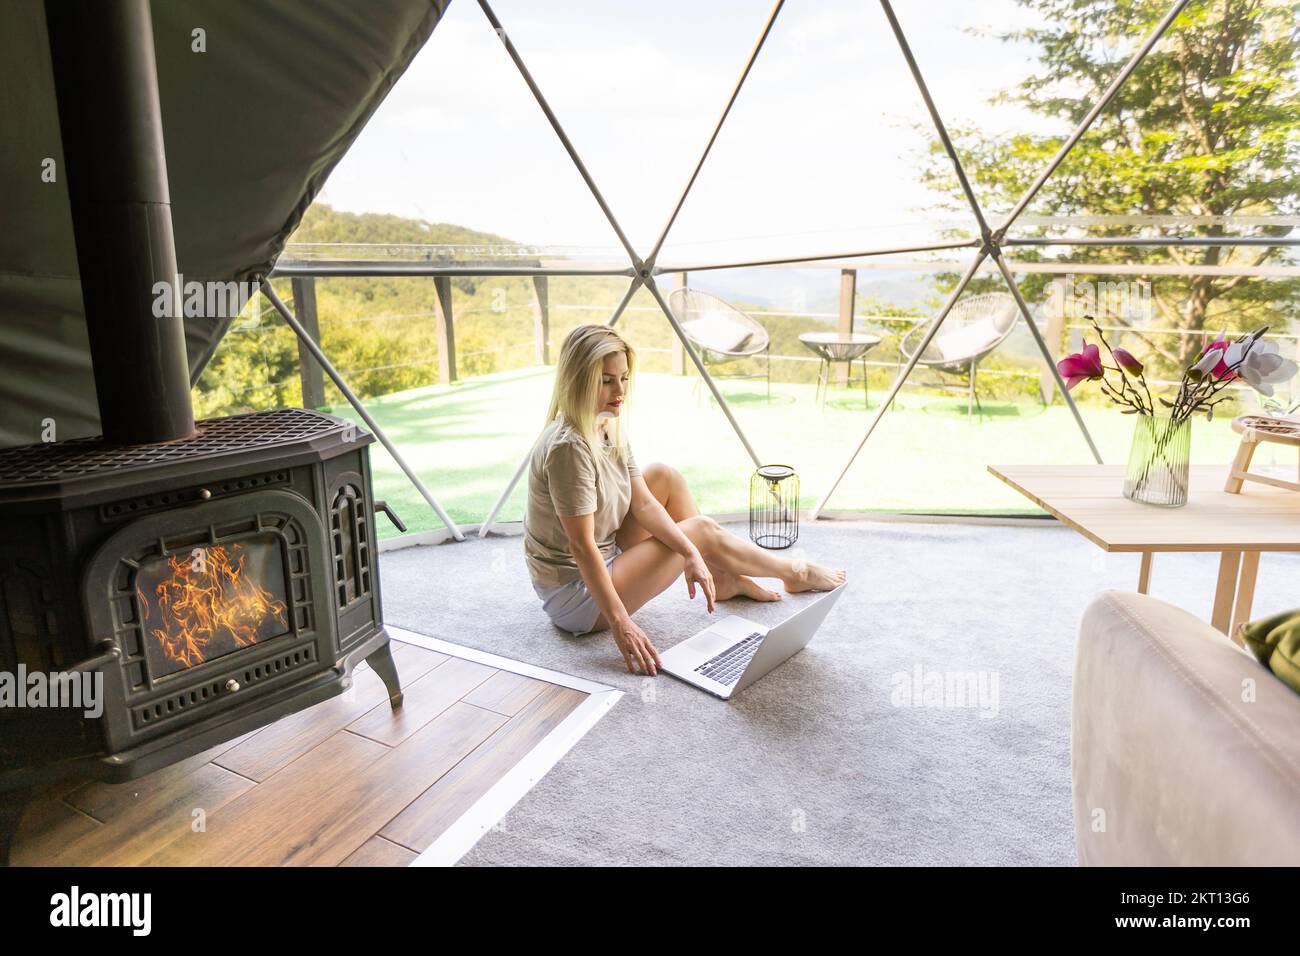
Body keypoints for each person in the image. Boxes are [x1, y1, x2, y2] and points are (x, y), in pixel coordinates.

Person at [523, 324, 847, 676]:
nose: (620, 391)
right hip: (576, 594)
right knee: (701, 530)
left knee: (664, 476)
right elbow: (582, 546)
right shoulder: (568, 448)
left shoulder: (606, 423)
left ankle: (721, 577)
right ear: (579, 381)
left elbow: (644, 504)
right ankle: (793, 572)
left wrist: (692, 555)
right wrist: (621, 623)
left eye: (624, 378)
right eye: (606, 381)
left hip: (605, 555)